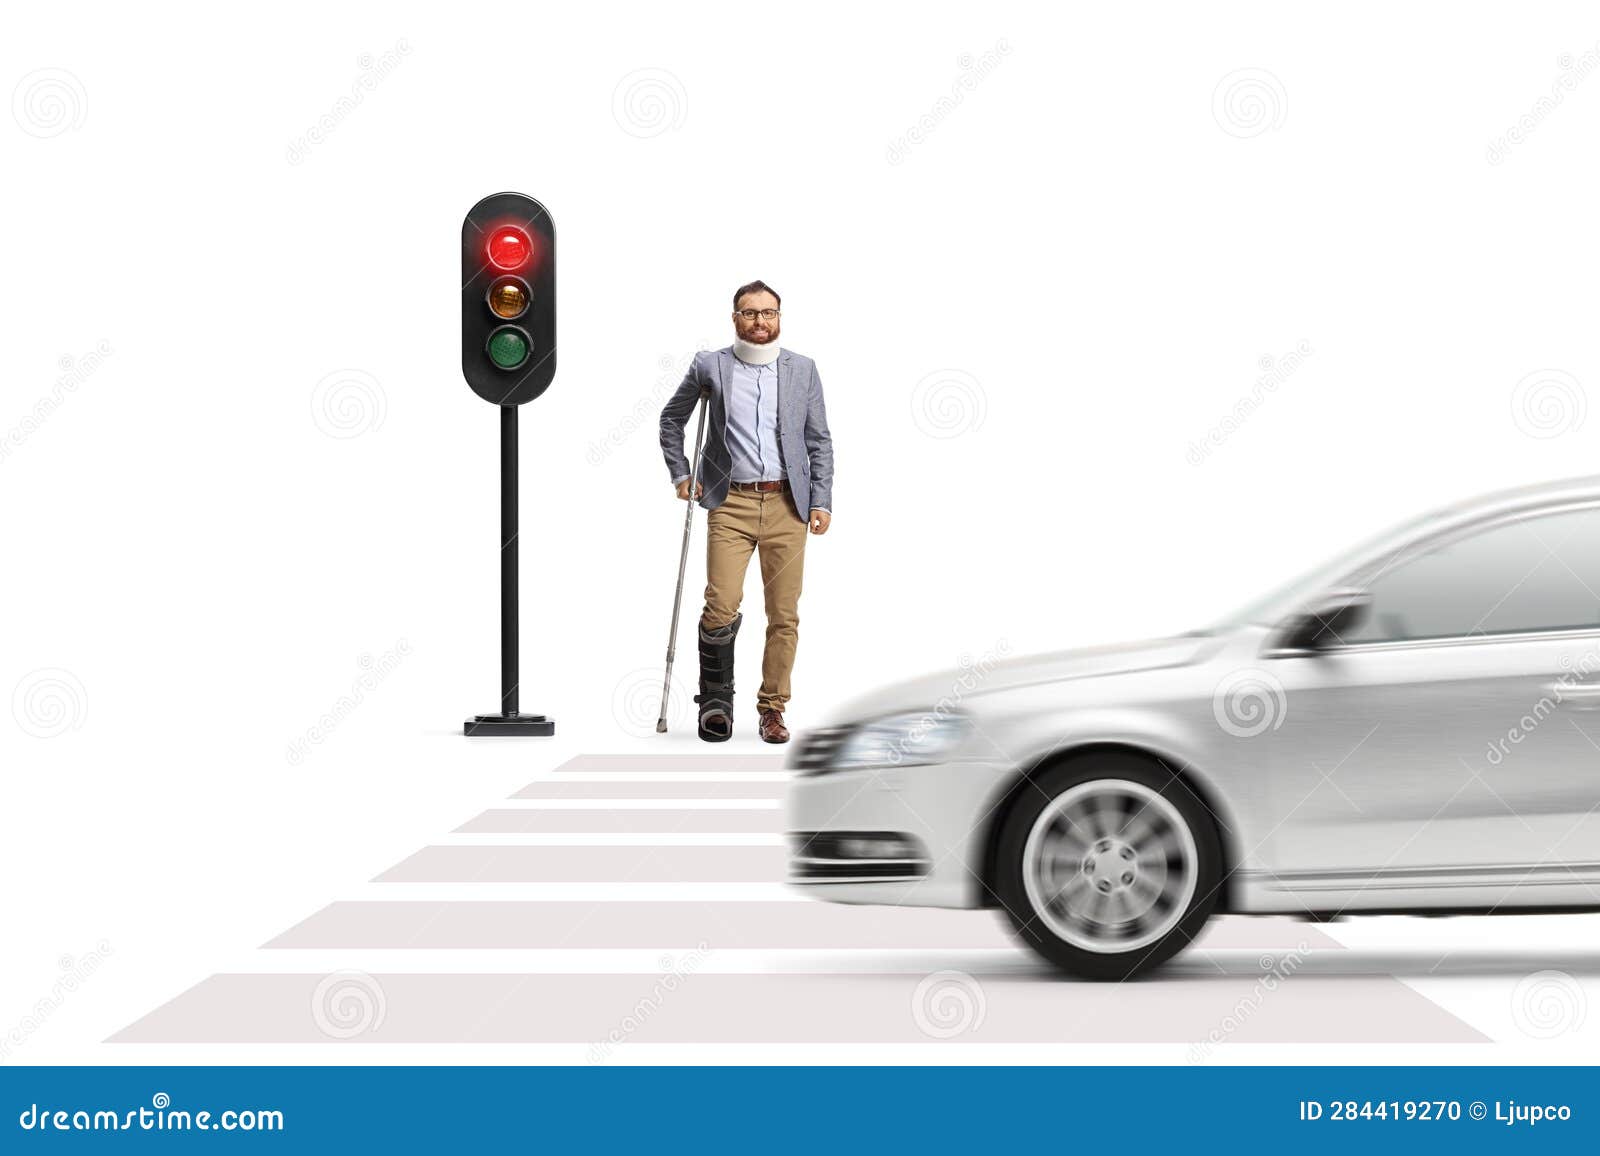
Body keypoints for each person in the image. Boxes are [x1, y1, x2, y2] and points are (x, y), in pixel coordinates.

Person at [658, 280, 834, 744]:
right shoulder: (709, 365)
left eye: (769, 313)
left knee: (783, 615)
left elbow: (819, 440)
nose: (760, 321)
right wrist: (681, 474)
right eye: (750, 313)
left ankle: (772, 709)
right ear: (734, 317)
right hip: (729, 501)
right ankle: (715, 702)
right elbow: (671, 418)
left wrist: (821, 499)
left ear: (780, 317)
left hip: (788, 505)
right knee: (721, 605)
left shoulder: (803, 369)